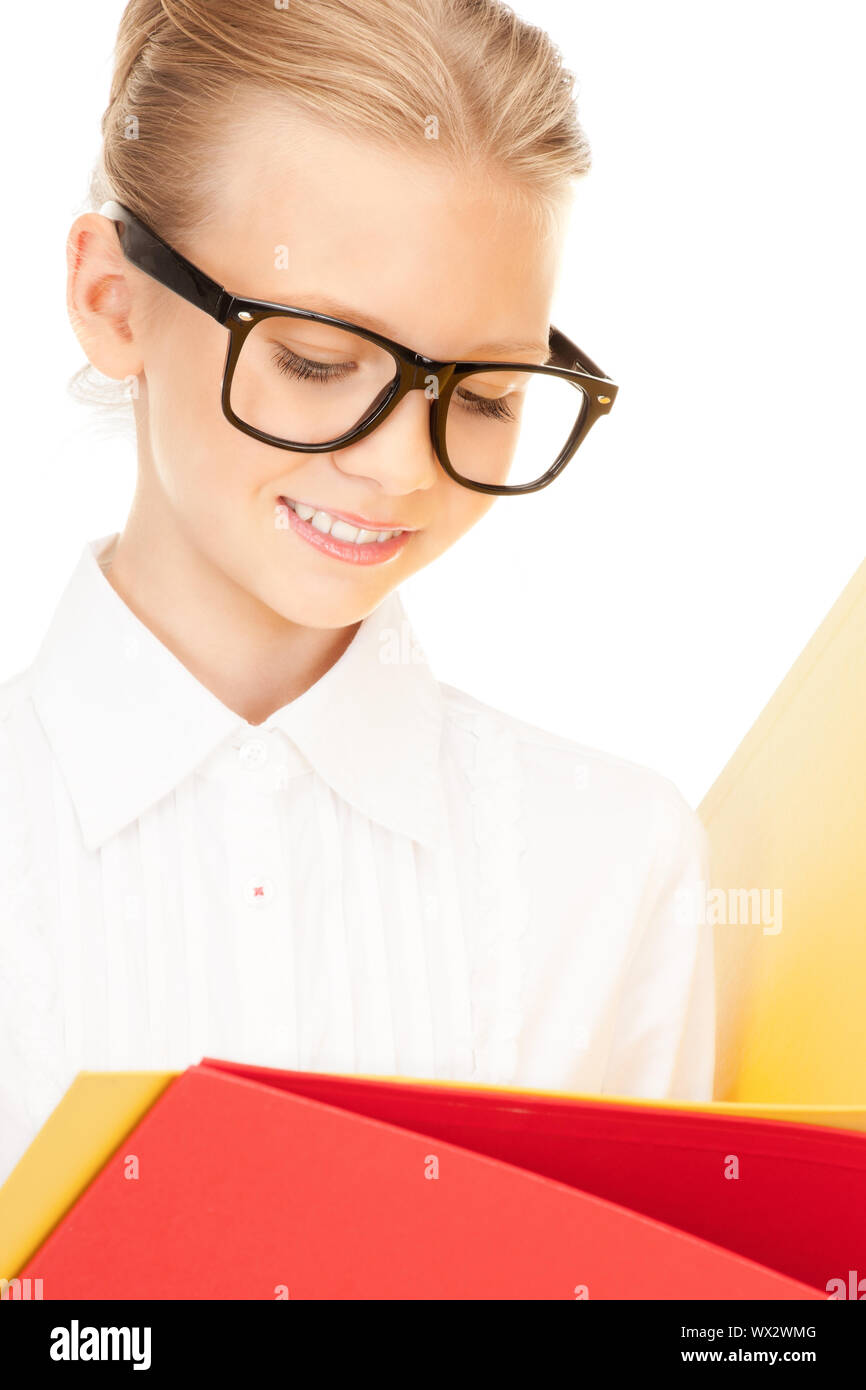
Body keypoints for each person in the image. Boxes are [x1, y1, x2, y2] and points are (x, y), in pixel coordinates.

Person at [0, 0, 714, 1184]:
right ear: (112, 299)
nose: (401, 467)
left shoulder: (616, 866)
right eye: (317, 362)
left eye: (484, 393)